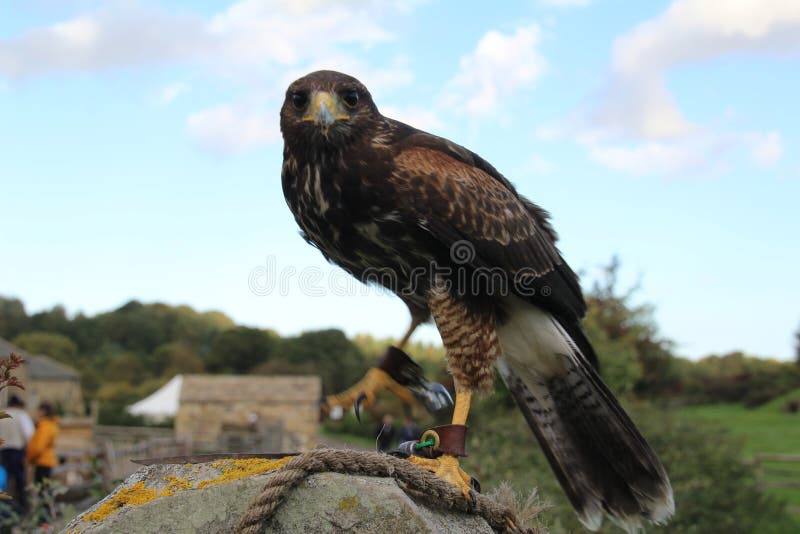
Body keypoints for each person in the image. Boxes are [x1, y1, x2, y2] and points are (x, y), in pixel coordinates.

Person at [0, 395, 35, 510]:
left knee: (4, 479)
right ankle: (22, 506)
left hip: (3, 451)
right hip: (17, 450)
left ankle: (5, 507)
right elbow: (29, 434)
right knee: (20, 479)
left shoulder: (2, 414)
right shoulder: (21, 415)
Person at [26, 402, 59, 486]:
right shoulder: (50, 425)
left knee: (41, 489)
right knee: (44, 489)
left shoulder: (45, 427)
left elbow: (38, 447)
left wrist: (29, 458)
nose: (36, 413)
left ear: (43, 411)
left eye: (38, 410)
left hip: (42, 462)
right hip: (46, 461)